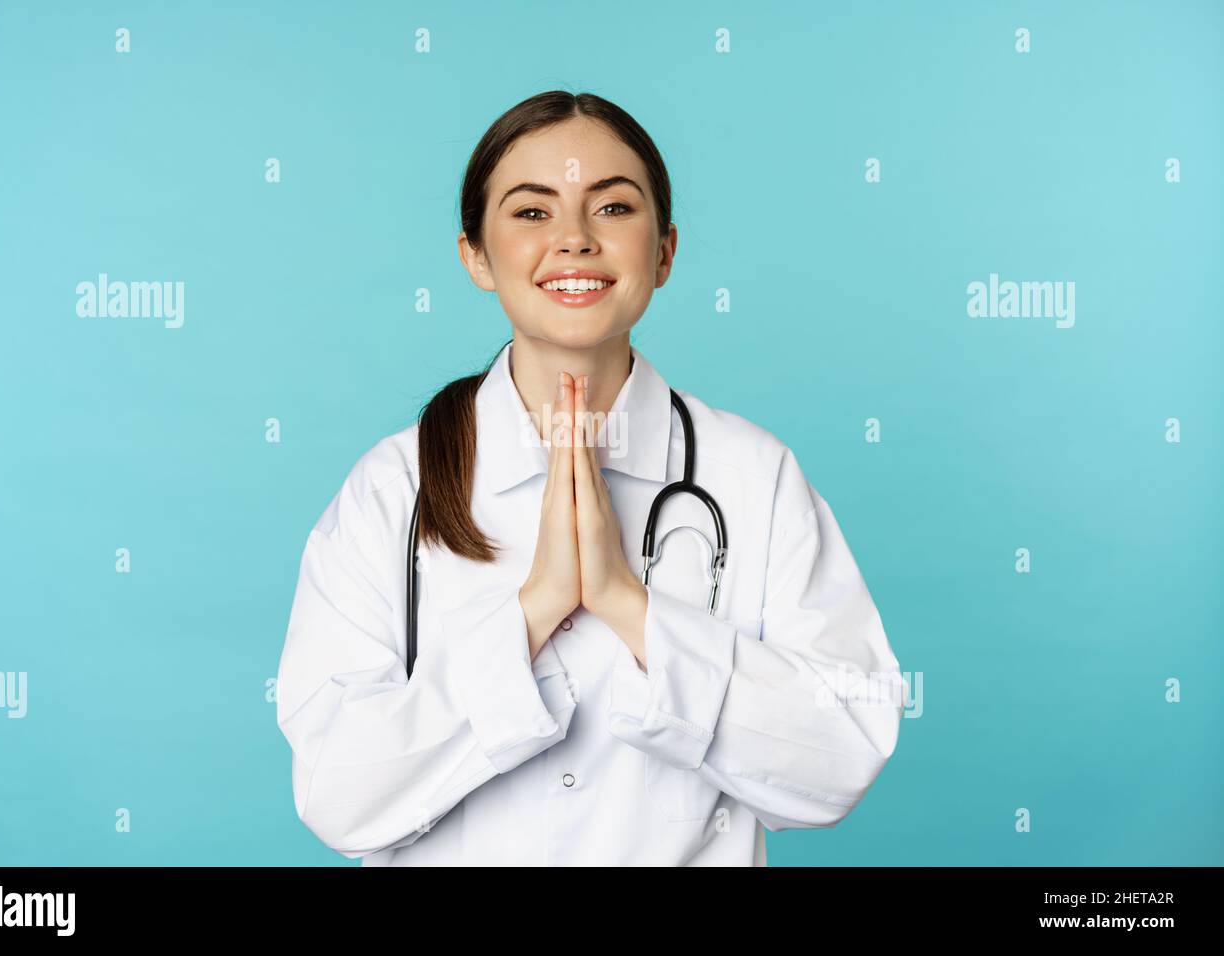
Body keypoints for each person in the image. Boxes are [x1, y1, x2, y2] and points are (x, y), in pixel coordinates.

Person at [274, 90, 906, 866]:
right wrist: (535, 611)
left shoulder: (753, 477)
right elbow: (339, 797)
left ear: (665, 251)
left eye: (611, 208)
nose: (573, 240)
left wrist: (627, 605)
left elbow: (843, 755)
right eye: (532, 213)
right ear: (475, 255)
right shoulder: (390, 490)